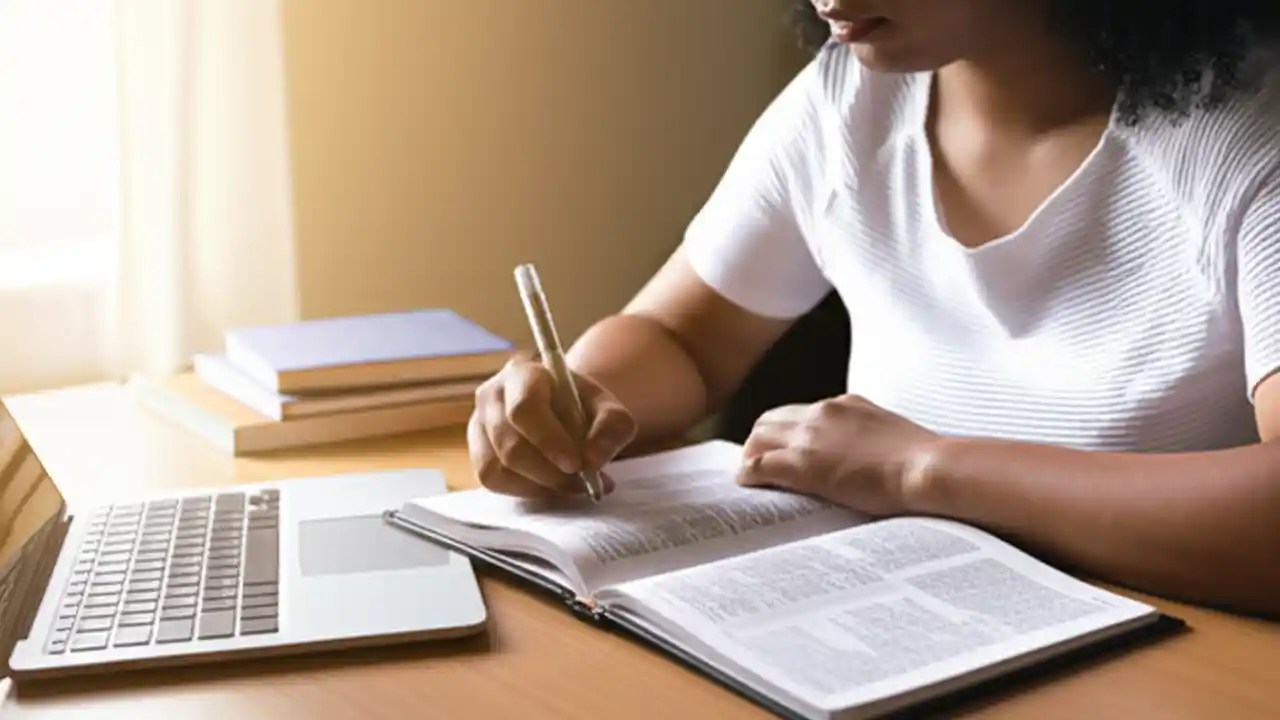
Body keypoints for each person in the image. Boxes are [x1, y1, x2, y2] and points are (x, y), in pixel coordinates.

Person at [467, 0, 1280, 618]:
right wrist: (566, 400)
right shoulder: (848, 97)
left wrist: (924, 468)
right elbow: (681, 338)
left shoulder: (1250, 136)